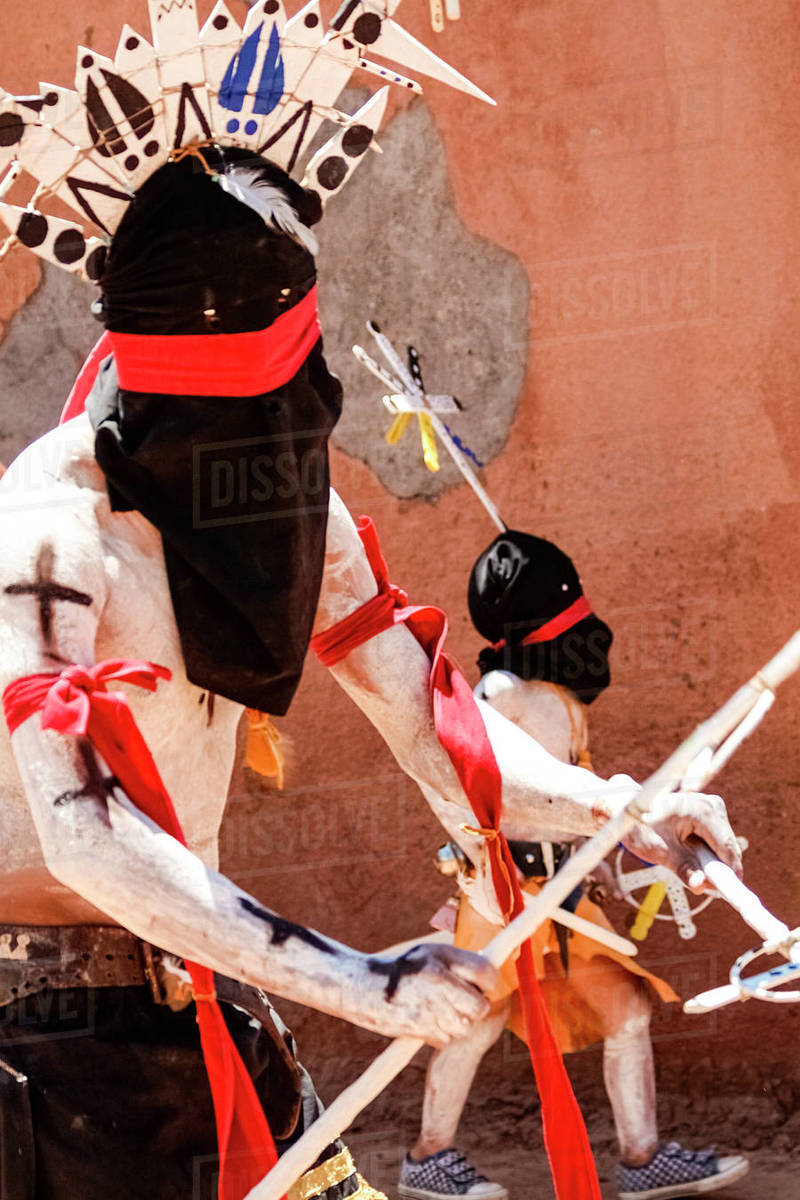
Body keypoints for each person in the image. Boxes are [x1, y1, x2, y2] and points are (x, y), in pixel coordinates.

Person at [0, 8, 743, 1198]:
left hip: (204, 1001)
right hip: (40, 1047)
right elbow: (79, 831)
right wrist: (349, 977)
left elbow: (434, 729)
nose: (278, 434)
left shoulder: (293, 509)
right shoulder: (52, 532)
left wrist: (615, 812)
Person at [399, 531, 749, 1200]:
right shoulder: (498, 691)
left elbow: (579, 795)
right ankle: (427, 1158)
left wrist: (611, 865)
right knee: (475, 1019)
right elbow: (459, 772)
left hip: (566, 893)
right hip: (503, 890)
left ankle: (643, 1159)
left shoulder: (563, 704)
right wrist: (473, 860)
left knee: (626, 1008)